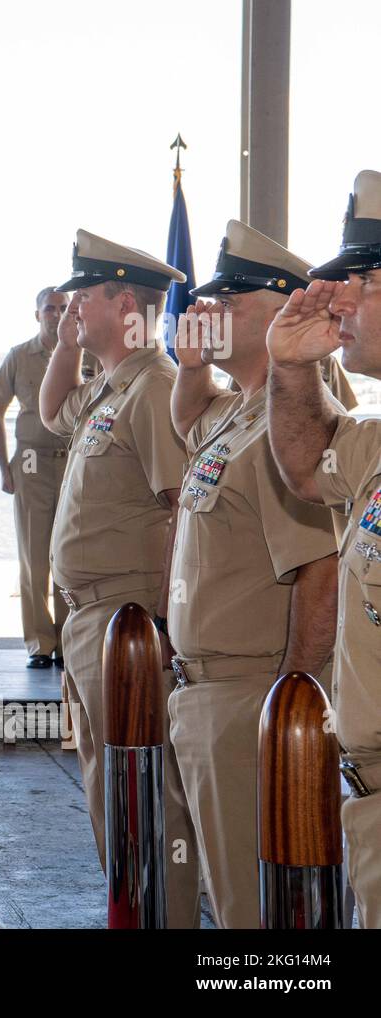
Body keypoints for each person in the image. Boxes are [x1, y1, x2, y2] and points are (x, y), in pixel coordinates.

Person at [167, 220, 339, 928]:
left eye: (230, 300)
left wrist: (292, 705)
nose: (209, 313)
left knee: (256, 910)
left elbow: (321, 572)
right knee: (233, 892)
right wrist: (188, 365)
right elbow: (188, 424)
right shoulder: (240, 411)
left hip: (253, 697)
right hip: (213, 692)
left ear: (284, 309)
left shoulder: (289, 429)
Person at [39, 229, 200, 927]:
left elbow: (182, 515)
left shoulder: (157, 387)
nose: (71, 299)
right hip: (88, 622)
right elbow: (49, 414)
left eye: (85, 290)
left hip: (128, 623)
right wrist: (65, 340)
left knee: (147, 794)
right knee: (111, 785)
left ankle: (163, 920)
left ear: (126, 302)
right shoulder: (113, 388)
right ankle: (133, 913)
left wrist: (163, 626)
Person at [266, 169, 381, 928]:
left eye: (363, 280)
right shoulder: (374, 439)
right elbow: (307, 467)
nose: (337, 298)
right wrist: (292, 367)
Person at [0, 286, 71, 669]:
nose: (56, 314)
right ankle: (40, 643)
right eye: (50, 308)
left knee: (69, 556)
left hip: (74, 464)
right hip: (33, 465)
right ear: (37, 314)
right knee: (34, 557)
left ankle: (68, 640)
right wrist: (5, 466)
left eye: (63, 307)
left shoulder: (85, 355)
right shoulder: (19, 356)